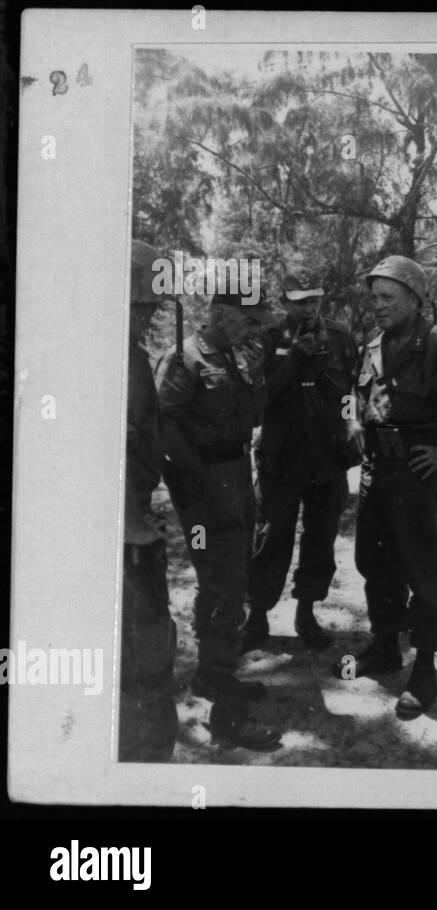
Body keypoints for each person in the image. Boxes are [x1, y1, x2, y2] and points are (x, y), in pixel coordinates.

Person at [335, 255, 437, 722]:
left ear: (415, 300)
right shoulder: (374, 344)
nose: (377, 306)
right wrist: (353, 421)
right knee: (374, 562)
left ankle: (424, 666)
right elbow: (353, 395)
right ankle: (384, 645)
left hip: (417, 473)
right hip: (376, 470)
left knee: (421, 571)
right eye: (374, 297)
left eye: (387, 297)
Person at [157, 286, 280, 749]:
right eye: (249, 320)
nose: (254, 329)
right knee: (224, 589)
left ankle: (213, 674)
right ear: (222, 314)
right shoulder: (184, 359)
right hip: (204, 491)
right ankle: (227, 714)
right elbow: (164, 429)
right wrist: (202, 489)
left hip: (234, 479)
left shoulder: (234, 356)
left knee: (231, 583)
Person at [244, 266, 361, 652]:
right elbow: (258, 399)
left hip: (326, 457)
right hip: (281, 456)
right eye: (299, 303)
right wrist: (292, 360)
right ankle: (257, 614)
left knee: (320, 537)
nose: (308, 309)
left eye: (313, 301)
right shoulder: (268, 337)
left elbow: (349, 393)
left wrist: (350, 425)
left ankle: (306, 611)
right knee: (271, 535)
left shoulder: (341, 336)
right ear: (284, 303)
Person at [120, 240, 179, 762]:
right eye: (145, 304)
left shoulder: (128, 355)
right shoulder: (107, 358)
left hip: (132, 517)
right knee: (144, 661)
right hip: (123, 537)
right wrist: (129, 521)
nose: (152, 313)